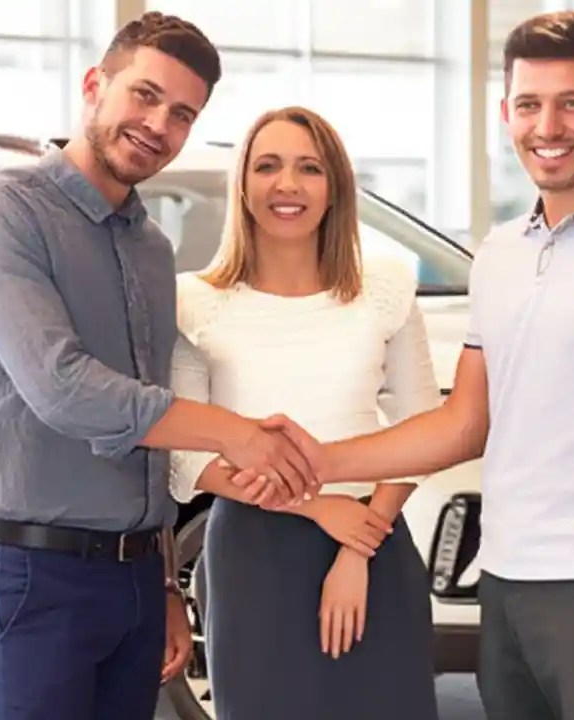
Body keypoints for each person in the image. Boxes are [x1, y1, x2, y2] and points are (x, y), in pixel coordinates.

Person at [269, 10, 574, 720]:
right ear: (506, 113)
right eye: (530, 105)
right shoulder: (501, 252)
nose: (549, 126)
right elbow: (464, 423)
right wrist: (319, 460)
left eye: (573, 103)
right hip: (505, 586)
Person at [0, 13, 323, 720]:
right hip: (34, 575)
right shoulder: (1, 212)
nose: (158, 124)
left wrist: (165, 583)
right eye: (144, 96)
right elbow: (64, 388)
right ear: (95, 86)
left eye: (182, 114)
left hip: (139, 581)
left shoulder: (149, 245)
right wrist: (234, 433)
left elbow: (151, 417)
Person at [168, 106, 441, 720]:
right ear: (242, 184)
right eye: (267, 166)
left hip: (373, 546)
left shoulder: (386, 288)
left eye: (308, 168)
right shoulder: (197, 301)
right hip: (252, 555)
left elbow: (423, 428)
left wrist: (356, 547)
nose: (286, 185)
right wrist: (318, 508)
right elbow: (183, 455)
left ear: (335, 186)